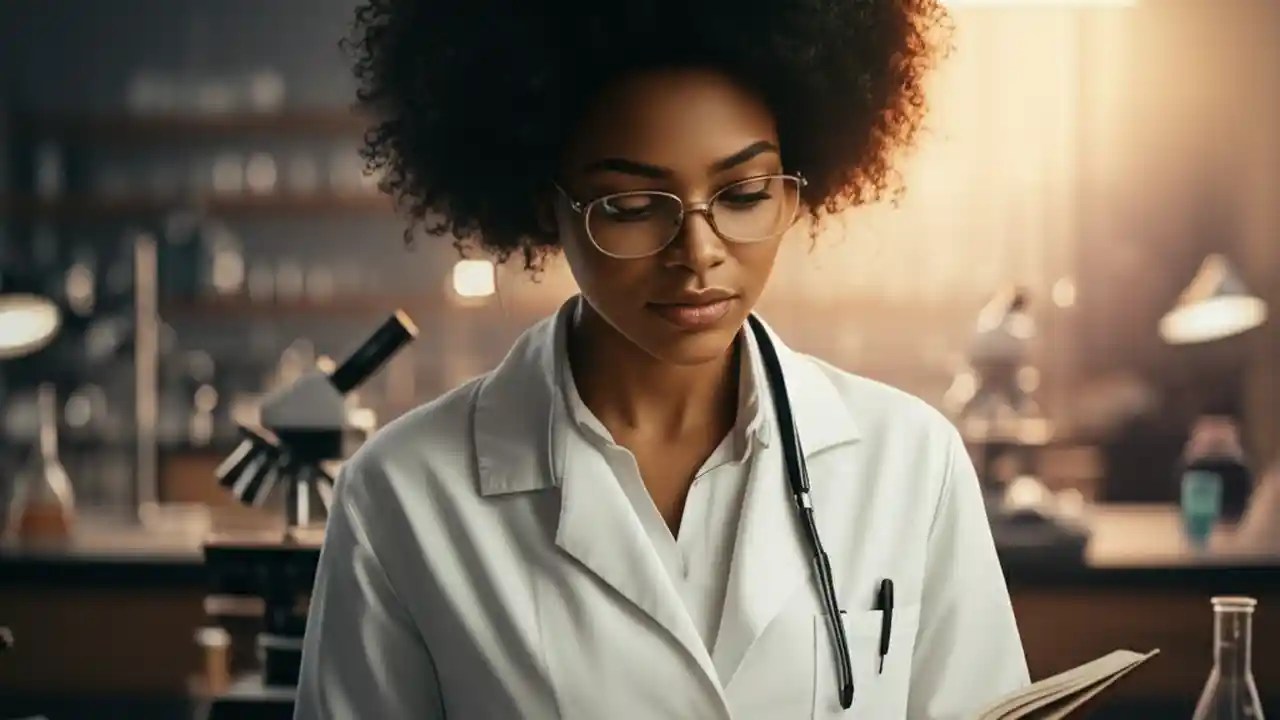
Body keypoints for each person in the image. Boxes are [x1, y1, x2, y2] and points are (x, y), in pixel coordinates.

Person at [295, 1, 1030, 718]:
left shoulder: (911, 463)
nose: (698, 252)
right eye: (632, 206)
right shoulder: (401, 496)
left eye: (744, 194)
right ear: (547, 203)